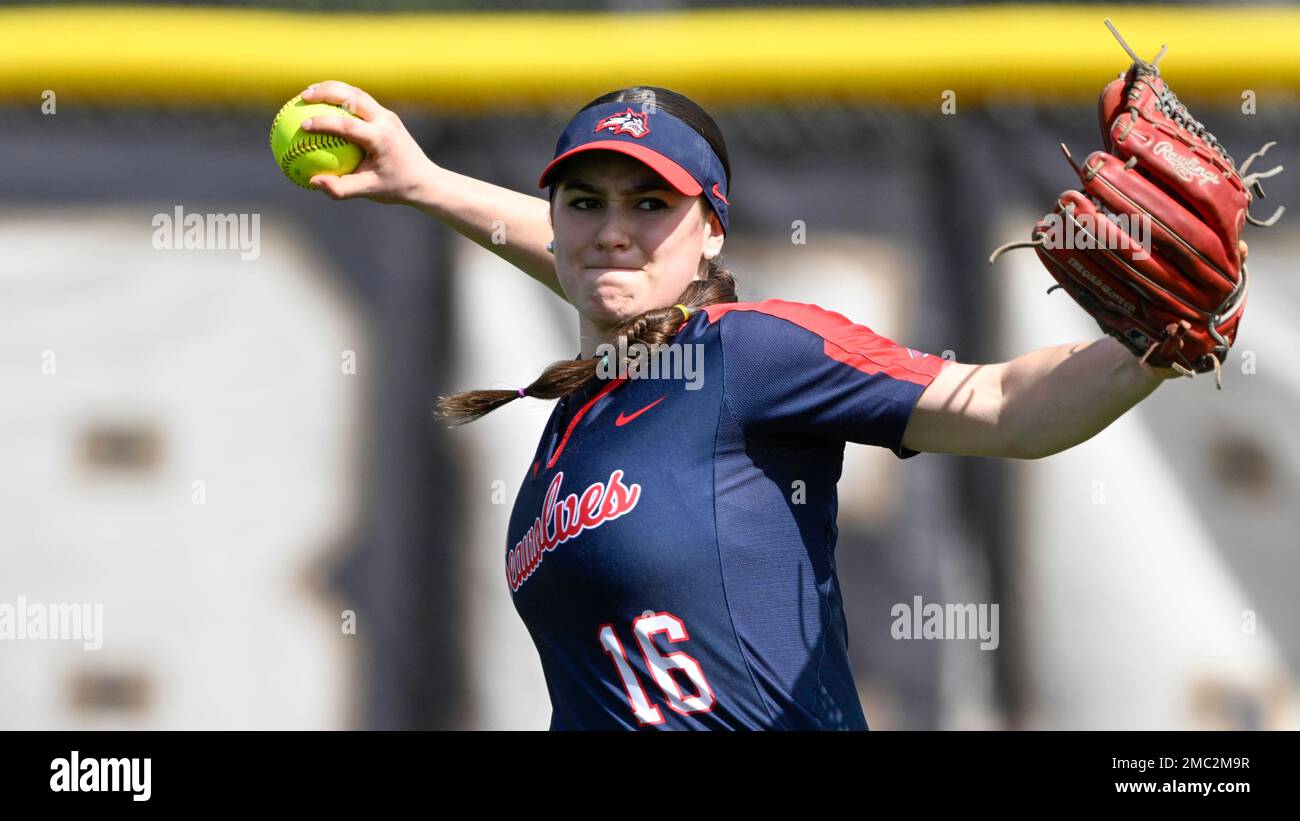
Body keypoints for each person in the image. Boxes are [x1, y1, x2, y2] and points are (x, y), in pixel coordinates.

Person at [297, 81, 1188, 730]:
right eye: (585, 199)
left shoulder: (749, 353)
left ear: (712, 226)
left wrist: (1165, 338)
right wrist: (420, 182)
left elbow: (998, 403)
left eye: (653, 201)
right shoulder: (573, 420)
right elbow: (604, 260)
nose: (615, 226)